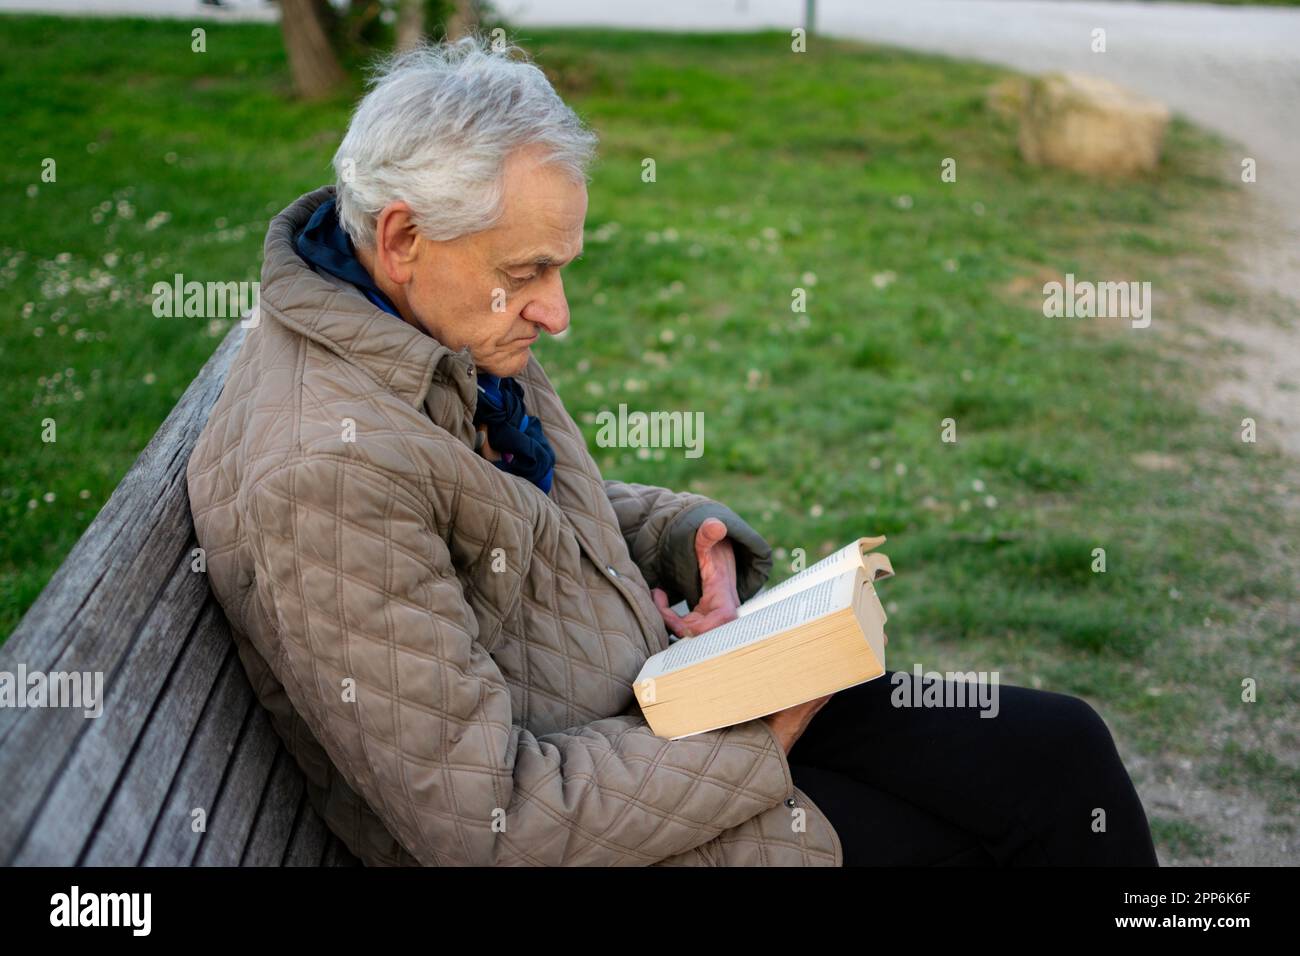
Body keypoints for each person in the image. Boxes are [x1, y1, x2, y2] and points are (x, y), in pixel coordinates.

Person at [186, 34, 1157, 866]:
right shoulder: (326, 473)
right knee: (988, 838)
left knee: (1059, 750)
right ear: (402, 235)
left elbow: (523, 508)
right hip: (620, 808)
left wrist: (684, 537)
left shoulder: (419, 323)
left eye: (560, 266)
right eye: (528, 273)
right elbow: (490, 817)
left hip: (665, 699)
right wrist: (756, 741)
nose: (556, 312)